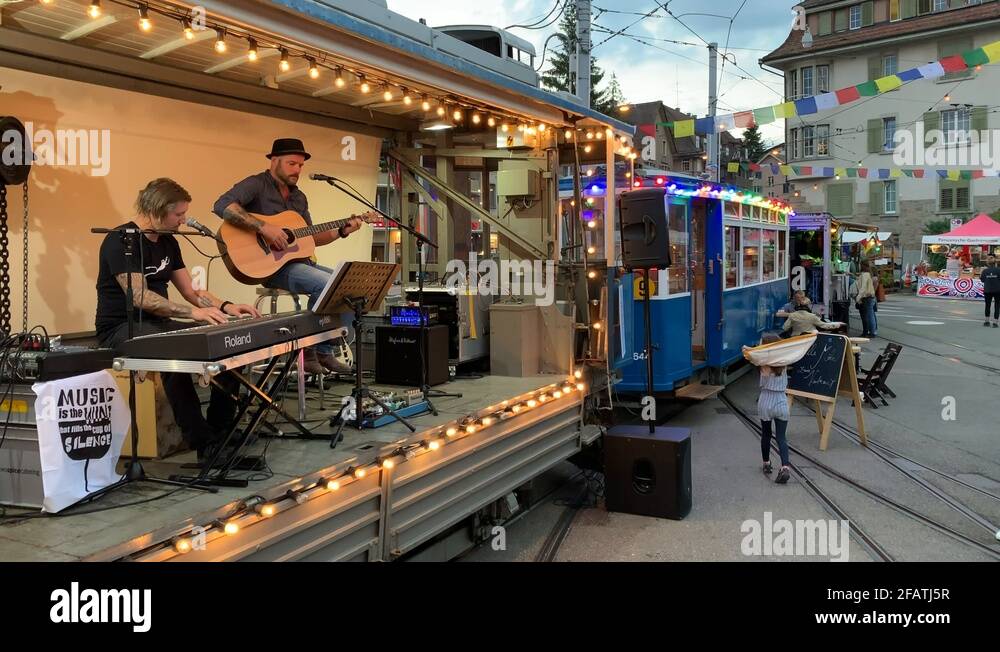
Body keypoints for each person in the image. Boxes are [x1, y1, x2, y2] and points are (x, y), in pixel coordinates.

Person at [96, 179, 261, 461]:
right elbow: (139, 297)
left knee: (225, 341)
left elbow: (191, 292)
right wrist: (191, 313)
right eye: (178, 215)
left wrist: (227, 306)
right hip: (123, 327)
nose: (184, 221)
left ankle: (219, 429)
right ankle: (203, 444)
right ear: (155, 209)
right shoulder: (120, 241)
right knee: (174, 357)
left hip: (160, 324)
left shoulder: (169, 242)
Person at [213, 138, 364, 375]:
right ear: (274, 161)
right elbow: (222, 205)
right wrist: (263, 228)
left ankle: (323, 351)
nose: (297, 170)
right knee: (326, 284)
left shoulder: (298, 197)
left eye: (300, 165)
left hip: (297, 264)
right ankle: (309, 350)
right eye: (292, 163)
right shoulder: (256, 184)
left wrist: (342, 231)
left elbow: (310, 237)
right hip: (269, 267)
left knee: (346, 283)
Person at [756, 333, 791, 484]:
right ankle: (785, 467)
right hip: (781, 401)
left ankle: (766, 463)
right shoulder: (784, 362)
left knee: (766, 434)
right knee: (781, 437)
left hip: (765, 400)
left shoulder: (762, 364)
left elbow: (750, 353)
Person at [852, 263, 877, 337]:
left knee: (869, 316)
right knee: (870, 315)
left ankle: (872, 332)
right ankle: (871, 331)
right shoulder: (868, 274)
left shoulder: (865, 275)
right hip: (869, 297)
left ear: (863, 266)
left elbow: (863, 288)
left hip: (867, 297)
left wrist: (858, 297)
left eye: (860, 265)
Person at [981, 255, 1000, 328]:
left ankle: (986, 321)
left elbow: (982, 280)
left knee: (987, 305)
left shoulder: (985, 271)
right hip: (997, 290)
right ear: (995, 263)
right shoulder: (998, 270)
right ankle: (995, 323)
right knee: (997, 306)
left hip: (988, 290)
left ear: (988, 263)